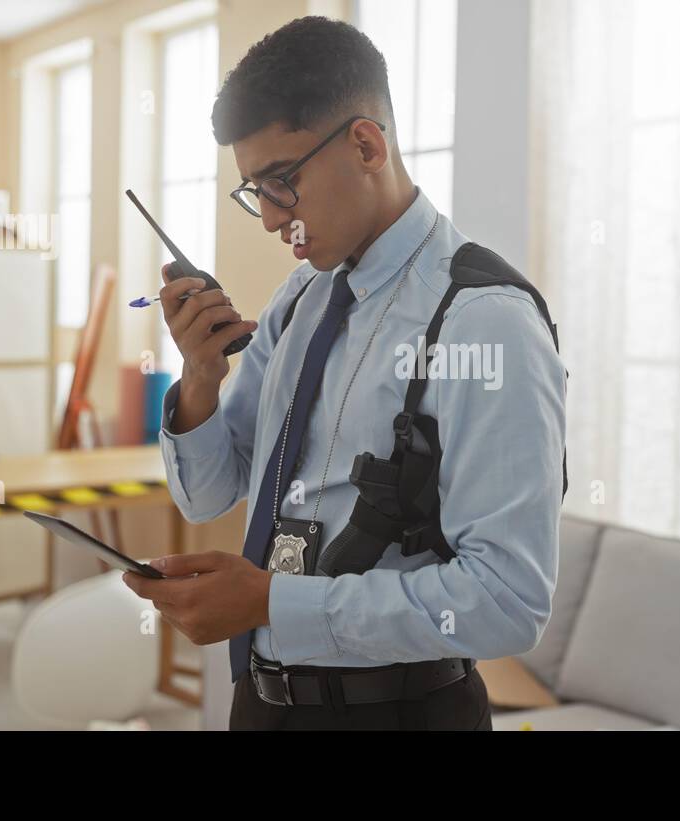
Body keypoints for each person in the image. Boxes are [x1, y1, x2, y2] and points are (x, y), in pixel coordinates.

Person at [122, 15, 566, 731]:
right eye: (253, 191)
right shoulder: (302, 299)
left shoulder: (484, 323)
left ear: (365, 144)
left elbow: (508, 601)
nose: (269, 219)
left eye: (281, 182)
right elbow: (208, 495)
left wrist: (271, 602)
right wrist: (201, 379)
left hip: (402, 713)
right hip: (263, 703)